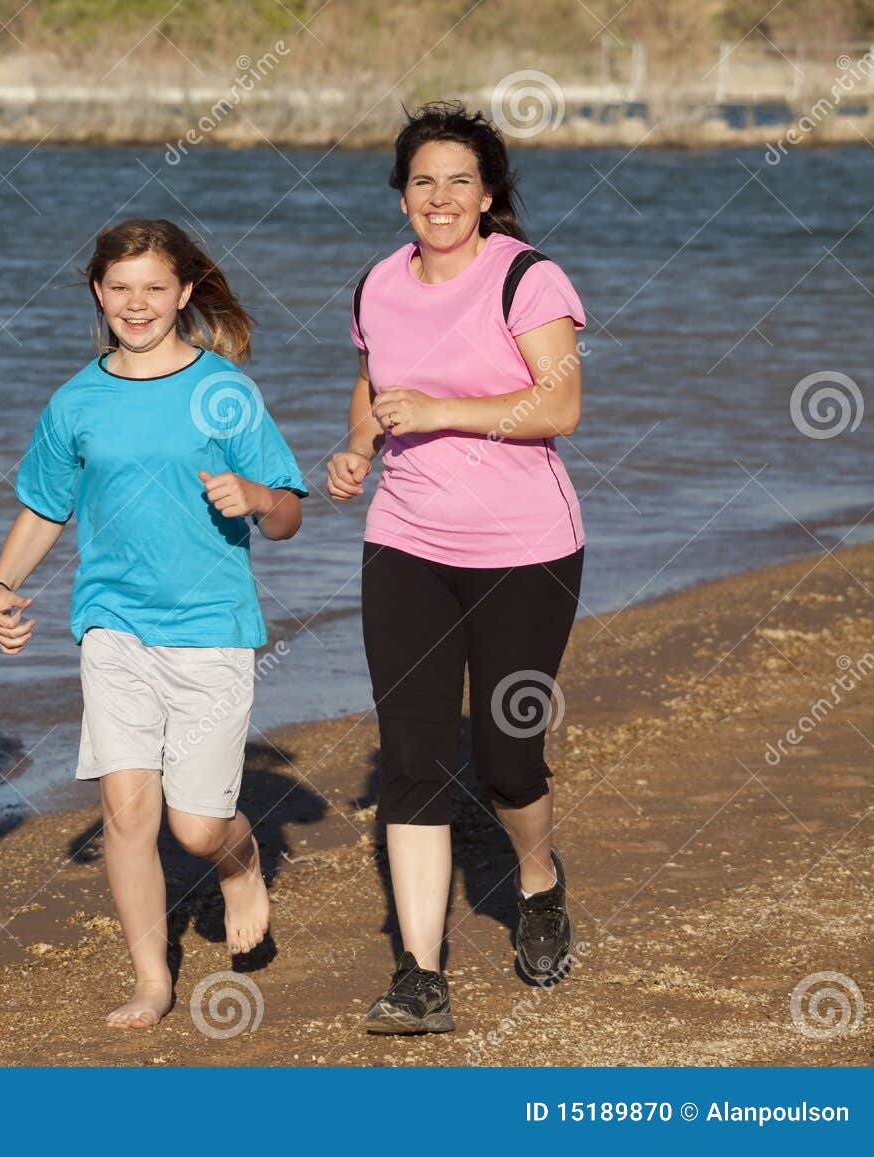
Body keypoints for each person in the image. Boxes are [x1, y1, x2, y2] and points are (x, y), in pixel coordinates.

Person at [0, 218, 306, 1029]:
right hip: (112, 626)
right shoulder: (75, 400)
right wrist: (2, 582)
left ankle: (241, 861)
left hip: (209, 627)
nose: (137, 304)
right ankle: (151, 978)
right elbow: (43, 507)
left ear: (184, 293)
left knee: (196, 828)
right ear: (98, 292)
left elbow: (289, 512)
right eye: (120, 287)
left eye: (155, 288)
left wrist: (257, 496)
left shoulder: (223, 390)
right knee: (129, 810)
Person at [327, 102, 587, 1034]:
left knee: (509, 756)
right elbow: (372, 386)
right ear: (402, 196)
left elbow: (561, 406)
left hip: (526, 548)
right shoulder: (377, 285)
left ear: (488, 195)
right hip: (406, 544)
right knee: (412, 758)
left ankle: (539, 881)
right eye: (423, 181)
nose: (441, 197)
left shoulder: (525, 278)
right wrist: (357, 448)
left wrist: (442, 409)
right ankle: (422, 975)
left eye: (459, 181)